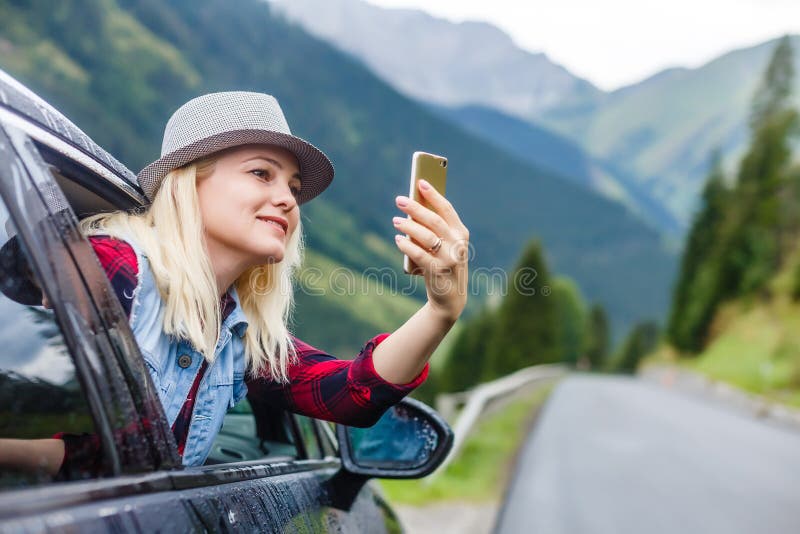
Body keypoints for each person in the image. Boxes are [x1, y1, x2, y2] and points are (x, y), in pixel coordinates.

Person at [0, 91, 469, 475]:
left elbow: (350, 394)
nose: (286, 199)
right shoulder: (113, 266)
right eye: (261, 173)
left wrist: (440, 311)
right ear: (189, 183)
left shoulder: (235, 334)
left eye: (293, 187)